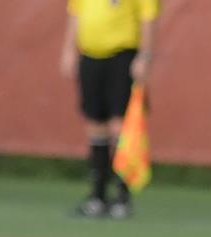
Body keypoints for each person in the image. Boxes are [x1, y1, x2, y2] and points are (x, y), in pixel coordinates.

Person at [62, 0, 158, 219]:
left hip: (122, 56)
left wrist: (145, 55)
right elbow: (75, 12)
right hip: (90, 55)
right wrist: (68, 48)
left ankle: (122, 197)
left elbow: (148, 18)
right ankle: (97, 196)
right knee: (95, 123)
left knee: (120, 126)